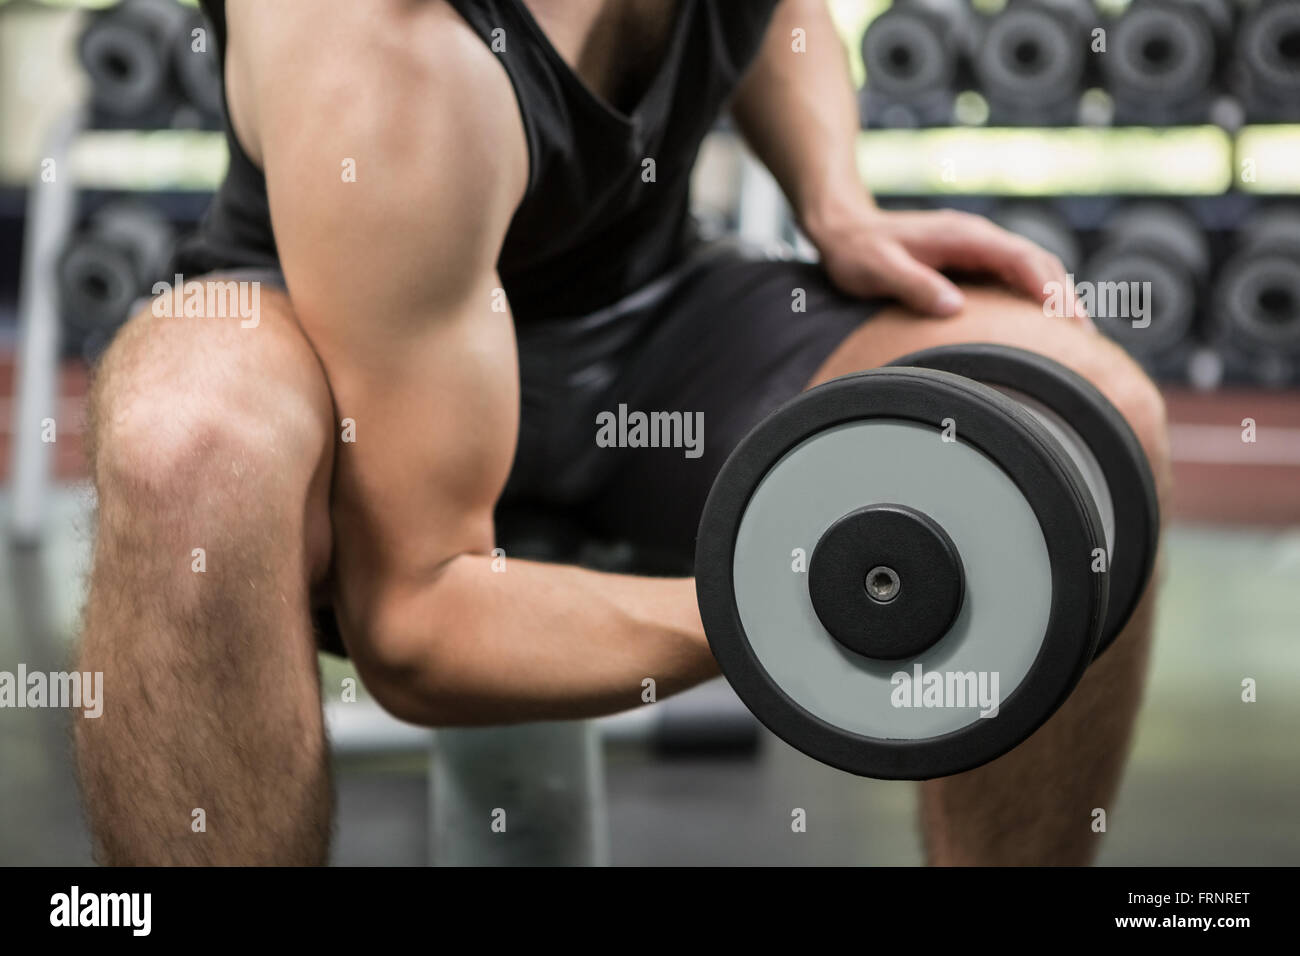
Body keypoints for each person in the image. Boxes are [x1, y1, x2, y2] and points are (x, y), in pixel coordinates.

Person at [74, 0, 1169, 865]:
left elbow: (776, 15)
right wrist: (794, 602)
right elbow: (417, 624)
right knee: (191, 442)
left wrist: (837, 201)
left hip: (650, 318)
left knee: (1067, 422)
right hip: (329, 335)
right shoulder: (386, 43)